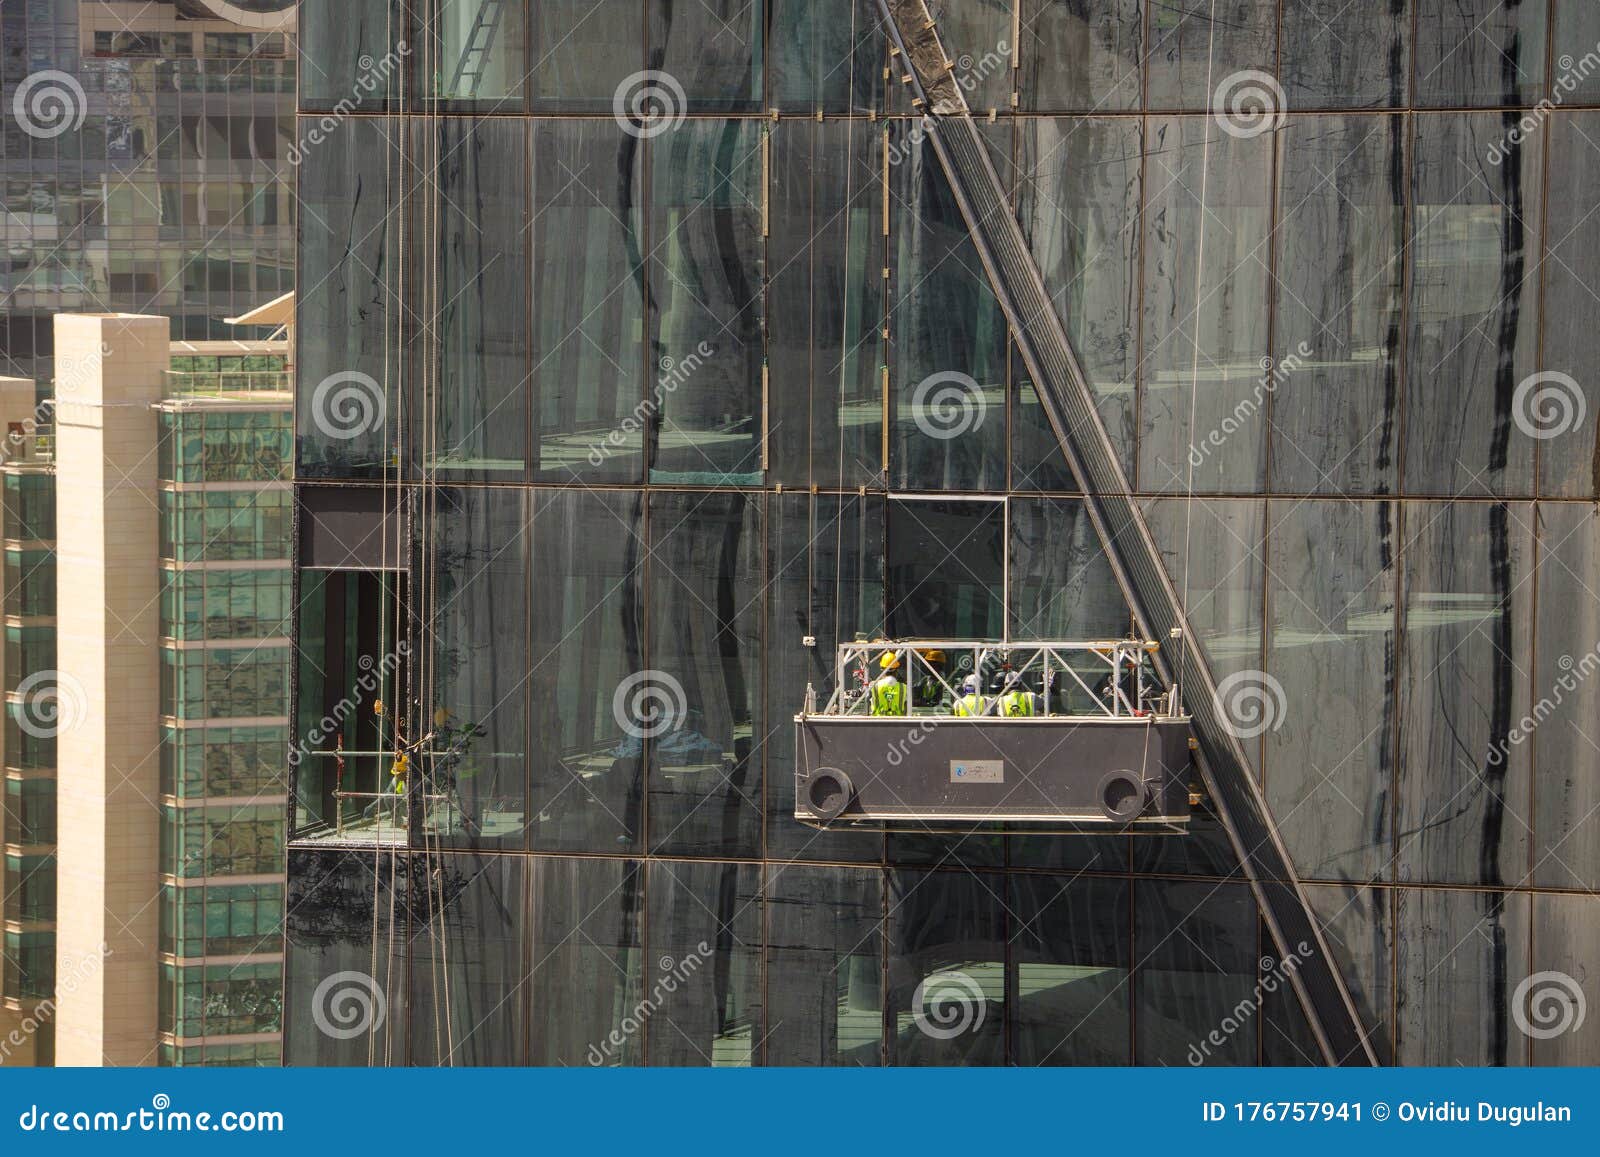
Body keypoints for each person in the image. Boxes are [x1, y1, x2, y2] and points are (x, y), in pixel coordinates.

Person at [870, 651, 908, 715]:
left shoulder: (874, 686)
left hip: (877, 722)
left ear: (882, 669)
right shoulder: (904, 687)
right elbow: (906, 708)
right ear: (896, 669)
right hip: (898, 722)